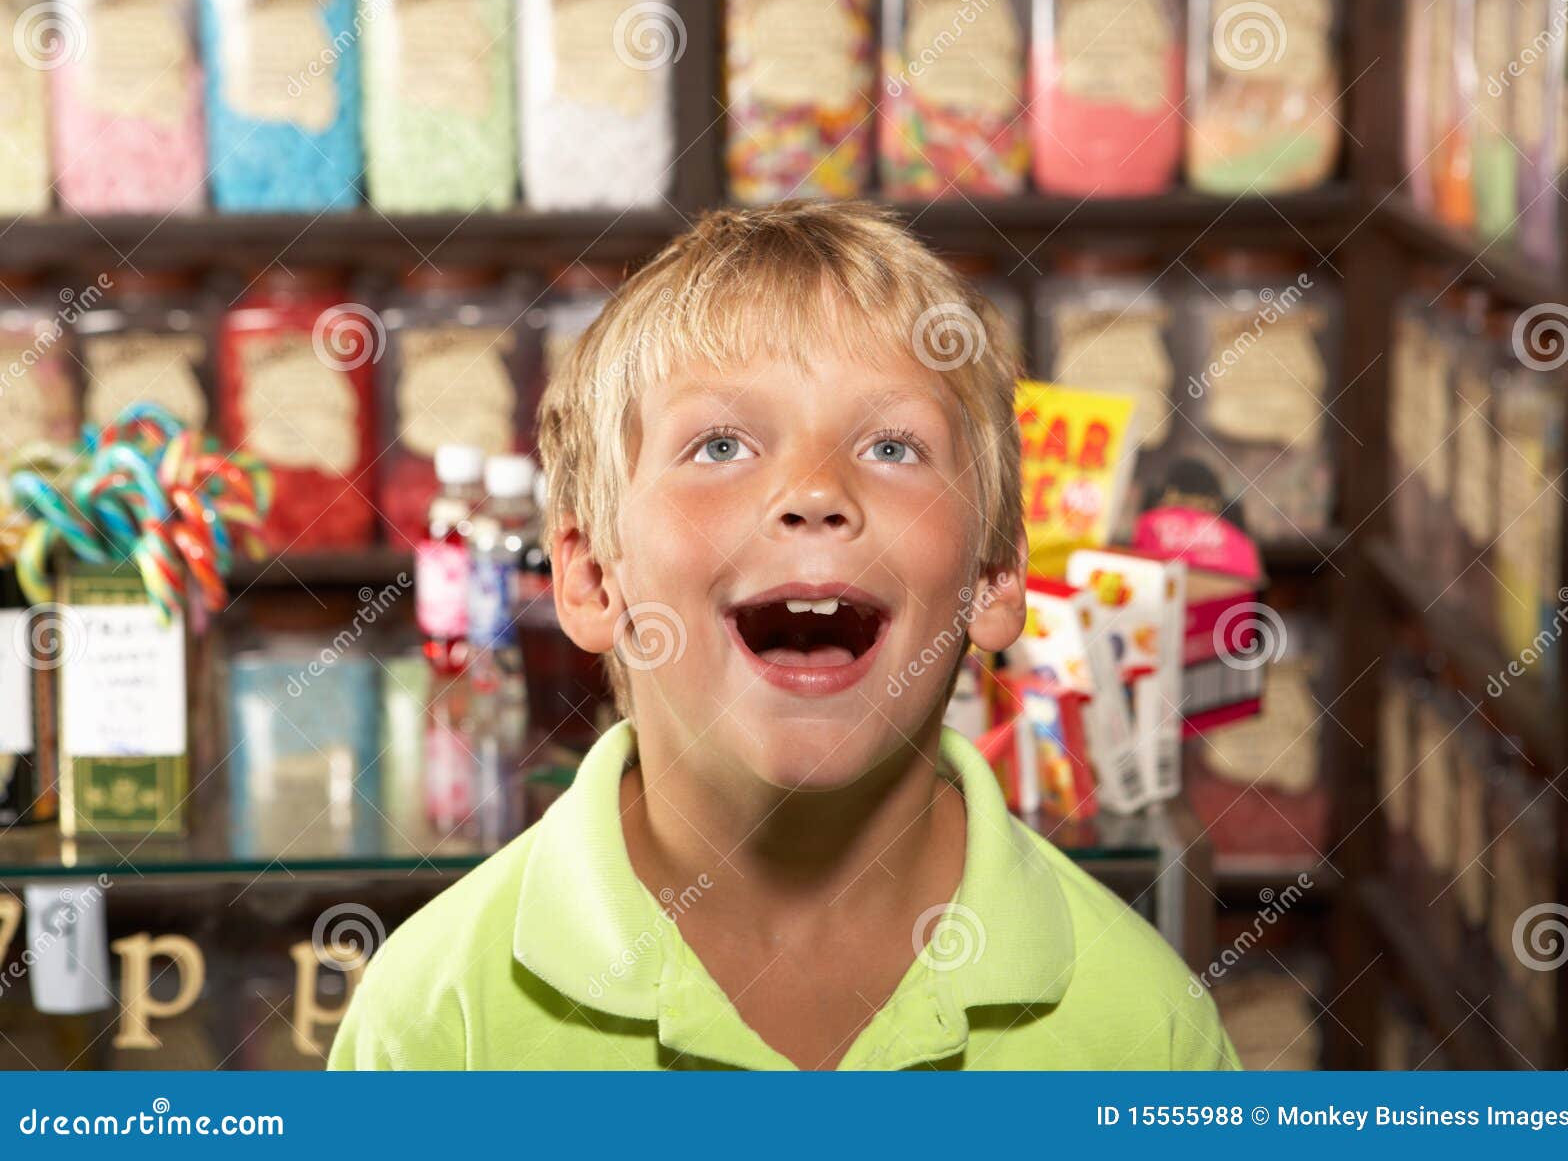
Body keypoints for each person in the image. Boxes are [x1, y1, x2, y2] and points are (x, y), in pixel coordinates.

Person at [329, 201, 1239, 1071]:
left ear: (994, 580)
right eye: (721, 445)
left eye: (892, 447)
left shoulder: (1143, 1031)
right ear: (593, 577)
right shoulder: (434, 1027)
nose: (812, 491)